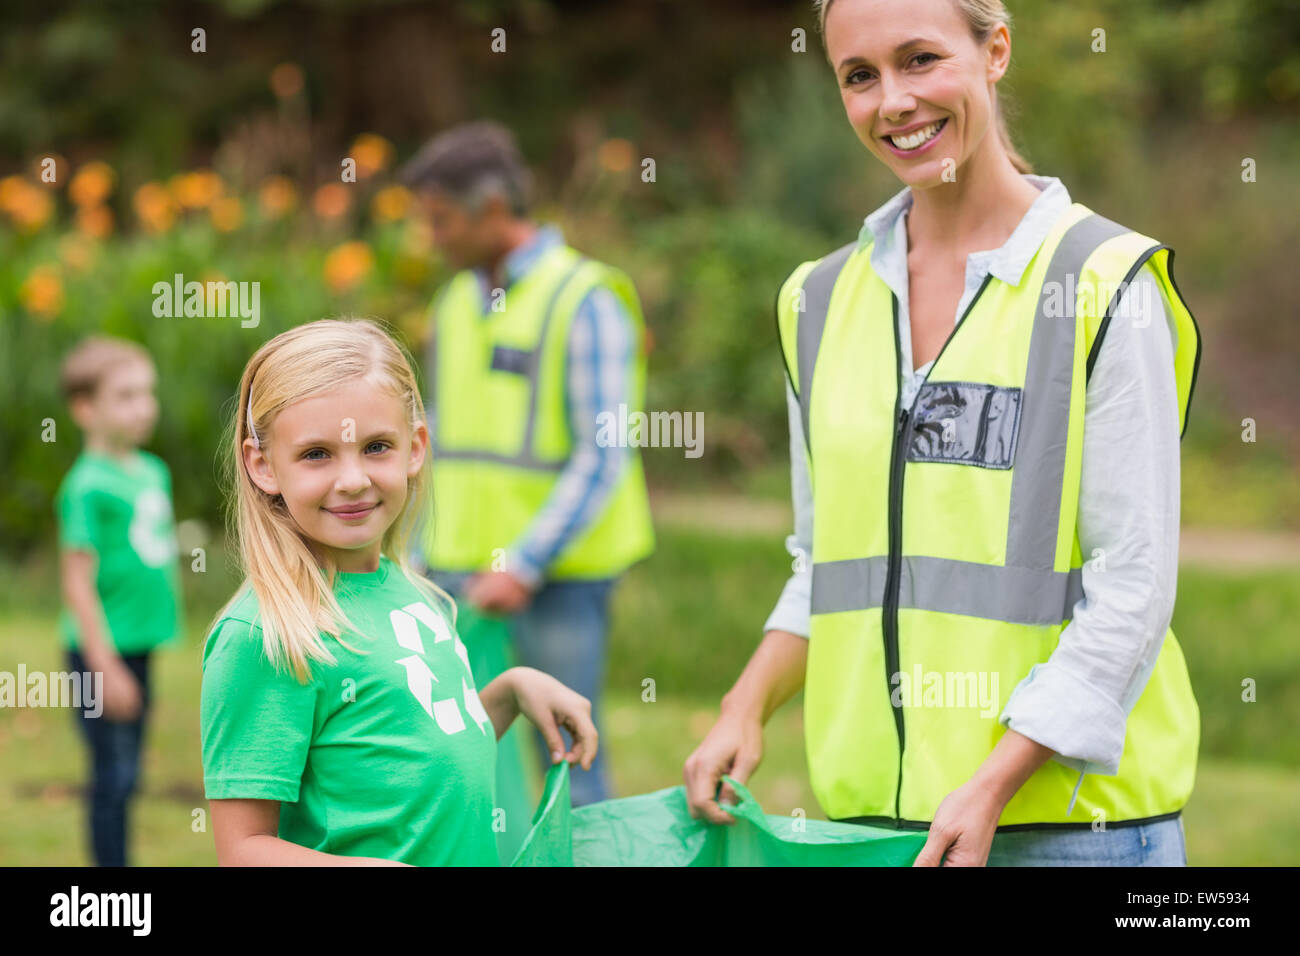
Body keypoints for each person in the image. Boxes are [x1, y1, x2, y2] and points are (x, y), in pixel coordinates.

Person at [684, 0, 1202, 867]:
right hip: (876, 836)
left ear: (995, 50)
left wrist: (995, 781)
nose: (893, 100)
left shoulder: (1105, 283)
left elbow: (1134, 588)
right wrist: (744, 706)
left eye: (921, 59)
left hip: (1069, 833)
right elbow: (828, 565)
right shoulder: (813, 302)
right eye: (860, 75)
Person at [199, 318, 597, 865]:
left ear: (415, 448)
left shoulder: (414, 593)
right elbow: (243, 850)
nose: (354, 479)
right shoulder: (264, 635)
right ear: (262, 465)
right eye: (317, 454)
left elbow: (412, 765)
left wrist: (508, 692)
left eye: (377, 446)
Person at [399, 121, 655, 807]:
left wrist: (524, 562)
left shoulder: (586, 299)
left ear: (490, 209)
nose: (434, 237)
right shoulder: (455, 302)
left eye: (441, 219)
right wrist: (419, 556)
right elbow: (440, 445)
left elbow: (603, 455)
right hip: (456, 575)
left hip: (558, 581)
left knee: (566, 756)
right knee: (456, 750)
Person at [56, 335, 184, 866]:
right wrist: (103, 665)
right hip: (102, 654)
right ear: (85, 409)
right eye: (126, 396)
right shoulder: (86, 485)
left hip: (140, 645)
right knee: (113, 776)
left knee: (129, 774)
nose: (143, 407)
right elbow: (77, 580)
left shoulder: (153, 471)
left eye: (147, 393)